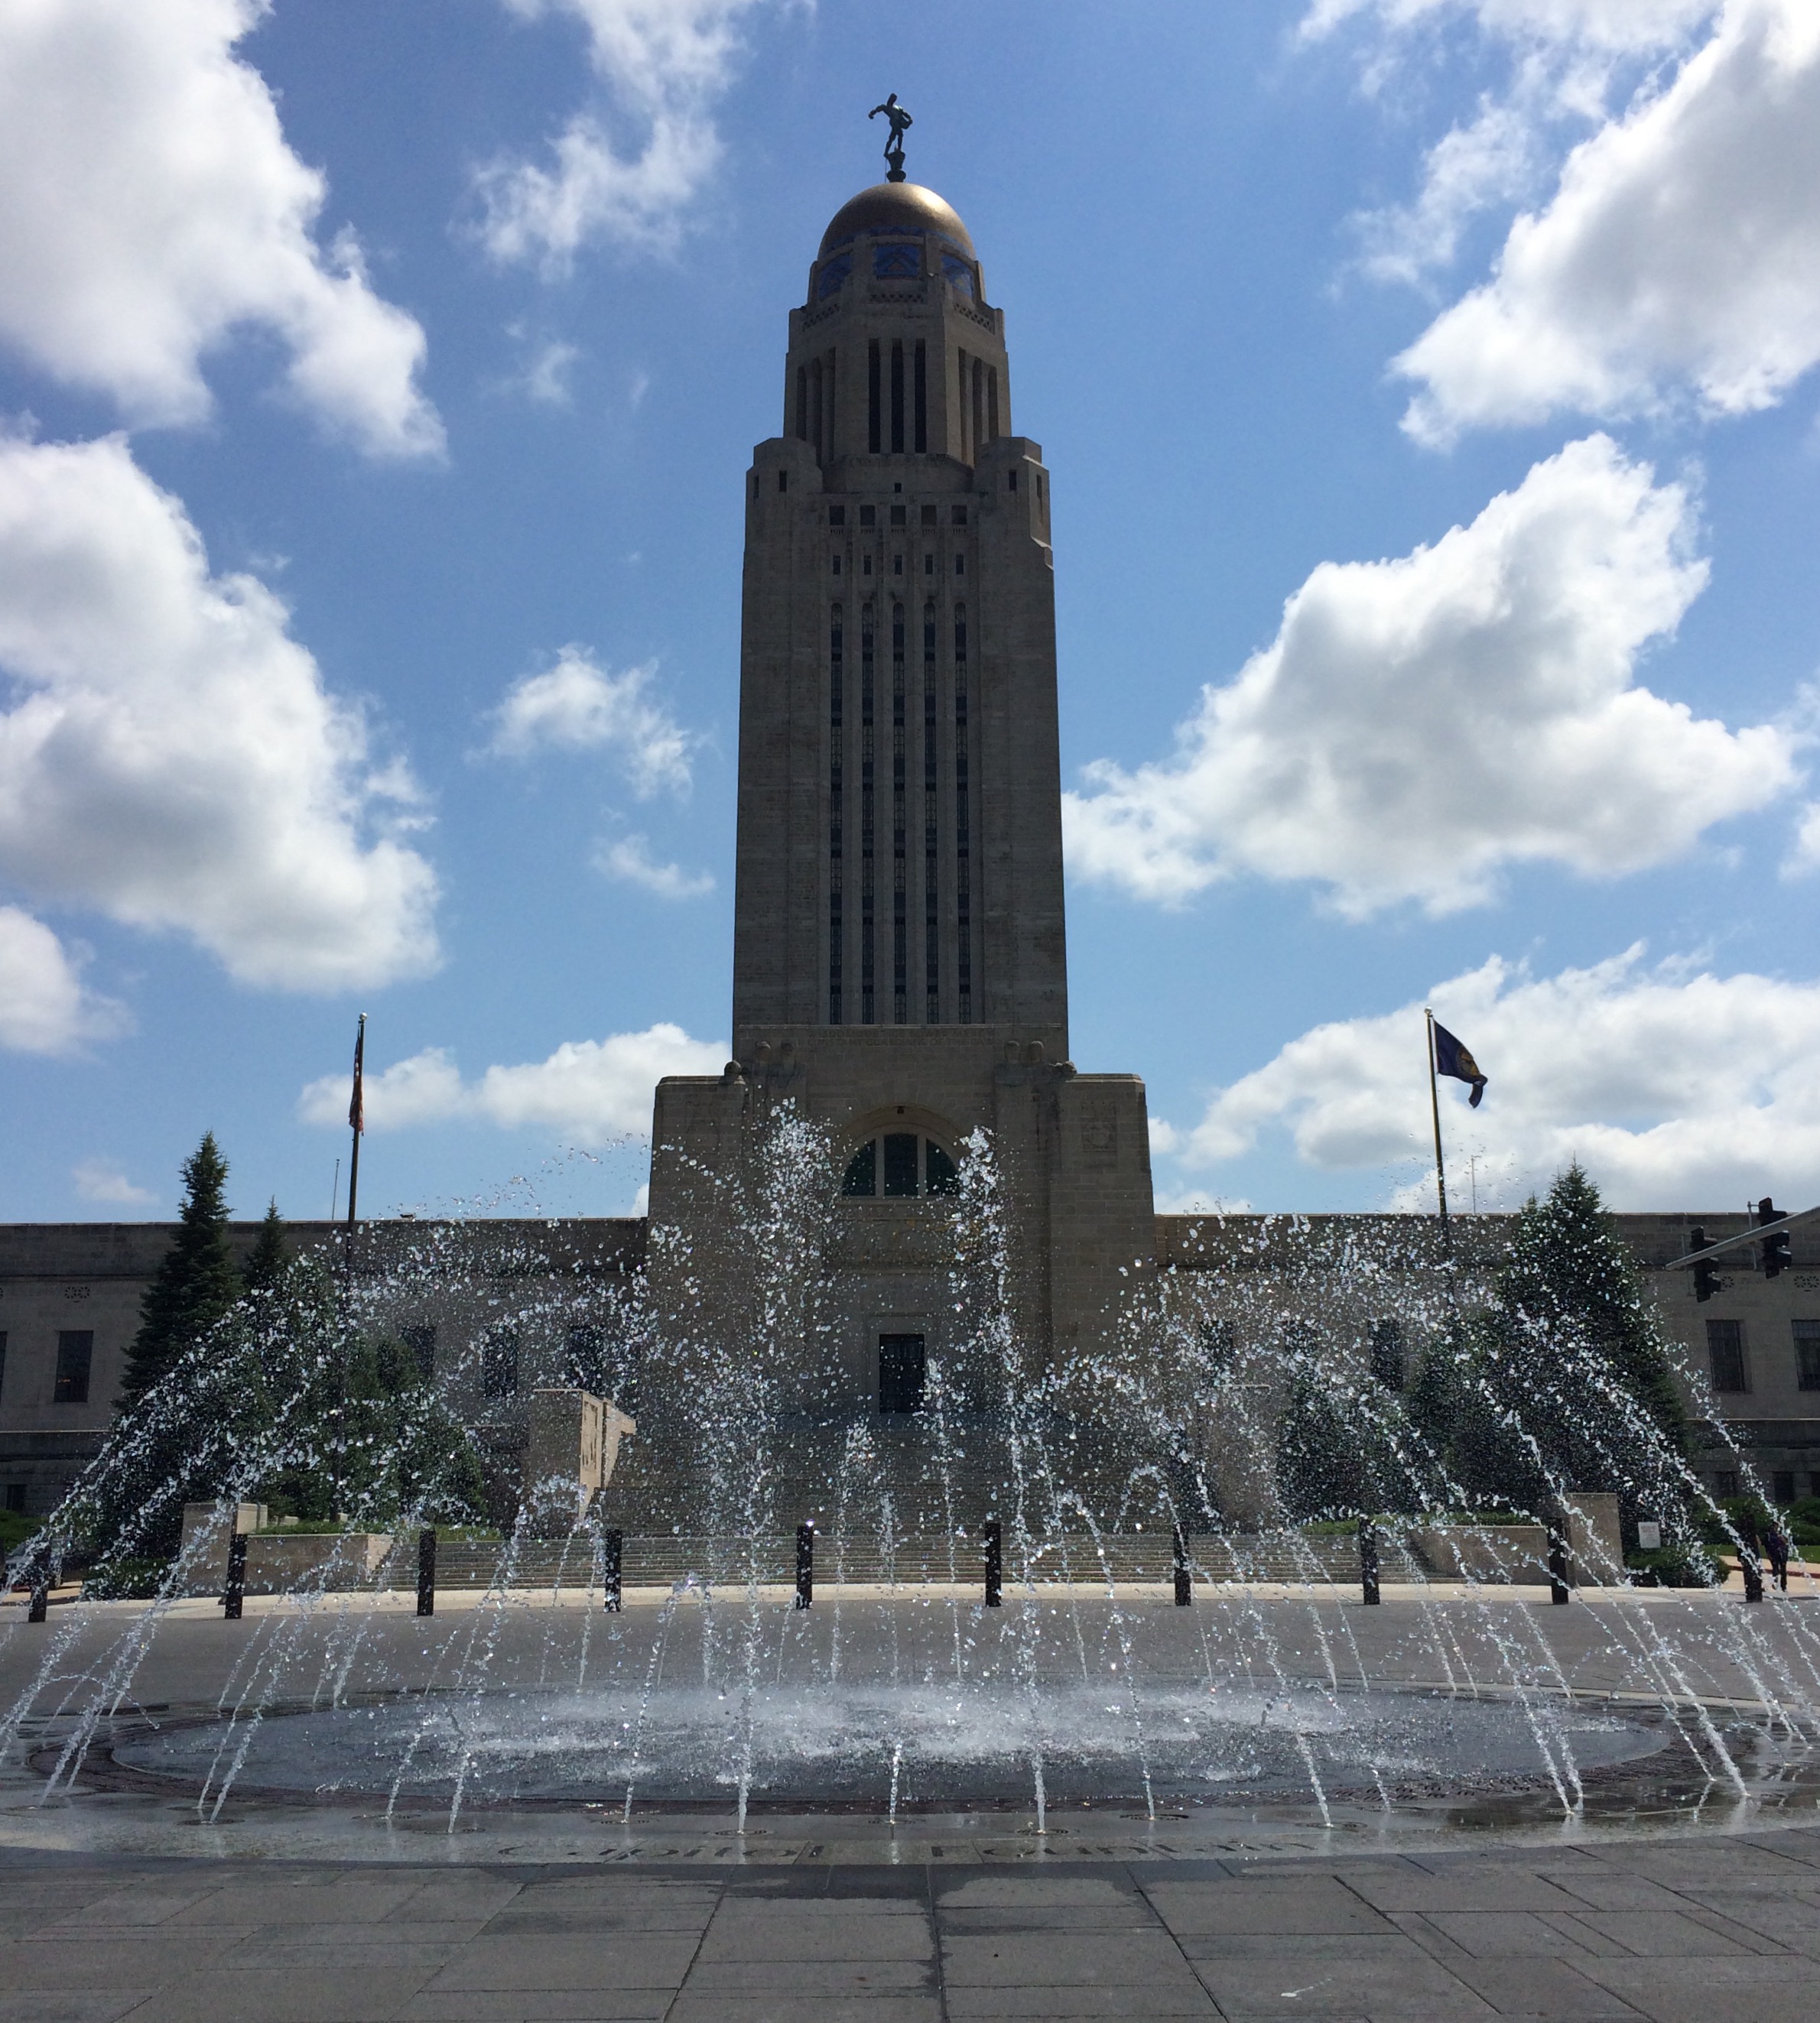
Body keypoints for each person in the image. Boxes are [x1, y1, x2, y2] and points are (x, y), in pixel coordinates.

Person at [1765, 1520, 1791, 1591]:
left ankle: (1784, 1586)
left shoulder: (1781, 1534)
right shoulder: (1770, 1534)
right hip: (1774, 1553)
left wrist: (1783, 1539)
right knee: (1775, 1569)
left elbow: (1786, 1542)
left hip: (1782, 1553)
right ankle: (1776, 1583)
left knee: (1783, 1570)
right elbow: (1767, 1545)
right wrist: (1768, 1554)